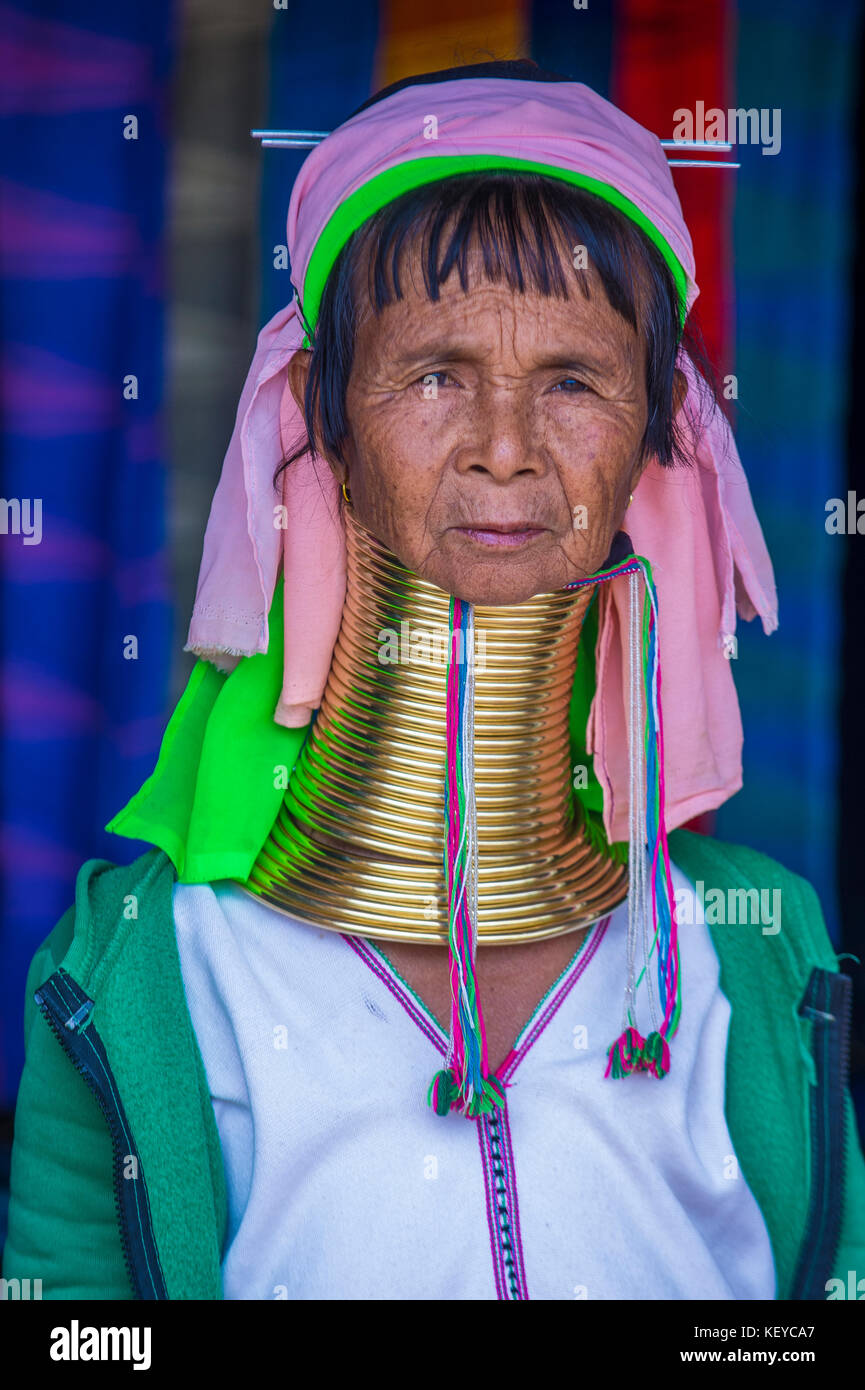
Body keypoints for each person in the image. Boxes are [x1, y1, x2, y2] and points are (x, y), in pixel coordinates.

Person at [6, 58, 865, 1302]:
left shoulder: (759, 950)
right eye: (433, 373)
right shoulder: (140, 965)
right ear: (321, 414)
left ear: (655, 432)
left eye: (573, 379)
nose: (506, 450)